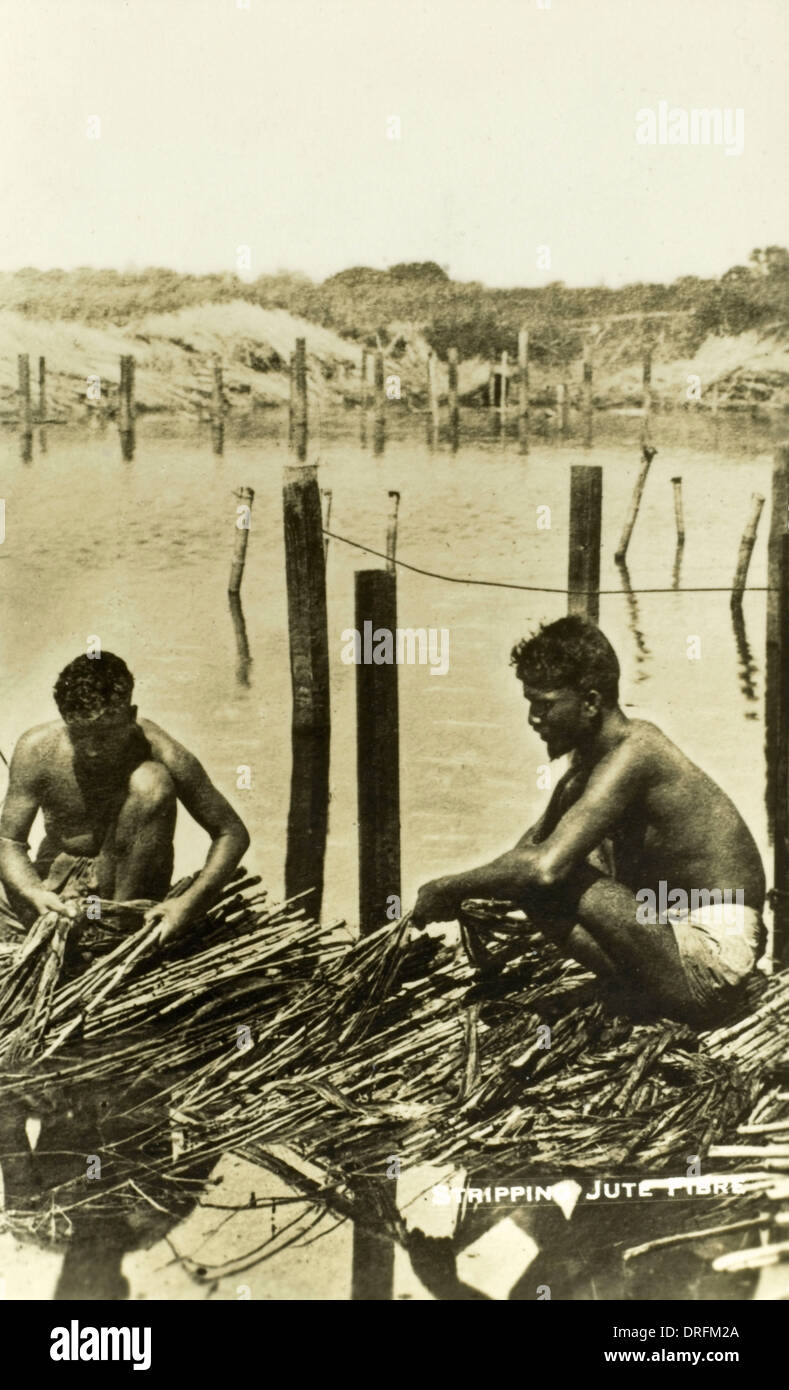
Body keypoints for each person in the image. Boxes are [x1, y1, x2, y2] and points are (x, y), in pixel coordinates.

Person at [413, 616, 766, 1026]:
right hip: (672, 937)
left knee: (551, 874)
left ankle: (657, 998)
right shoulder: (589, 761)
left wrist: (445, 887)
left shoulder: (638, 751)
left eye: (544, 704)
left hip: (715, 956)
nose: (533, 718)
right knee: (533, 875)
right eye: (530, 704)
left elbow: (545, 868)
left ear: (592, 702)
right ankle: (640, 992)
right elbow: (529, 848)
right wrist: (470, 895)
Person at [0, 651, 250, 945]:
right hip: (57, 881)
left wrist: (190, 903)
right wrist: (33, 892)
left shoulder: (160, 749)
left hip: (126, 889)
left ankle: (113, 935)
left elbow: (230, 832)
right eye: (80, 735)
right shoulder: (38, 749)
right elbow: (8, 841)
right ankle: (72, 928)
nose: (92, 749)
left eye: (105, 735)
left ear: (130, 717)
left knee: (151, 780)